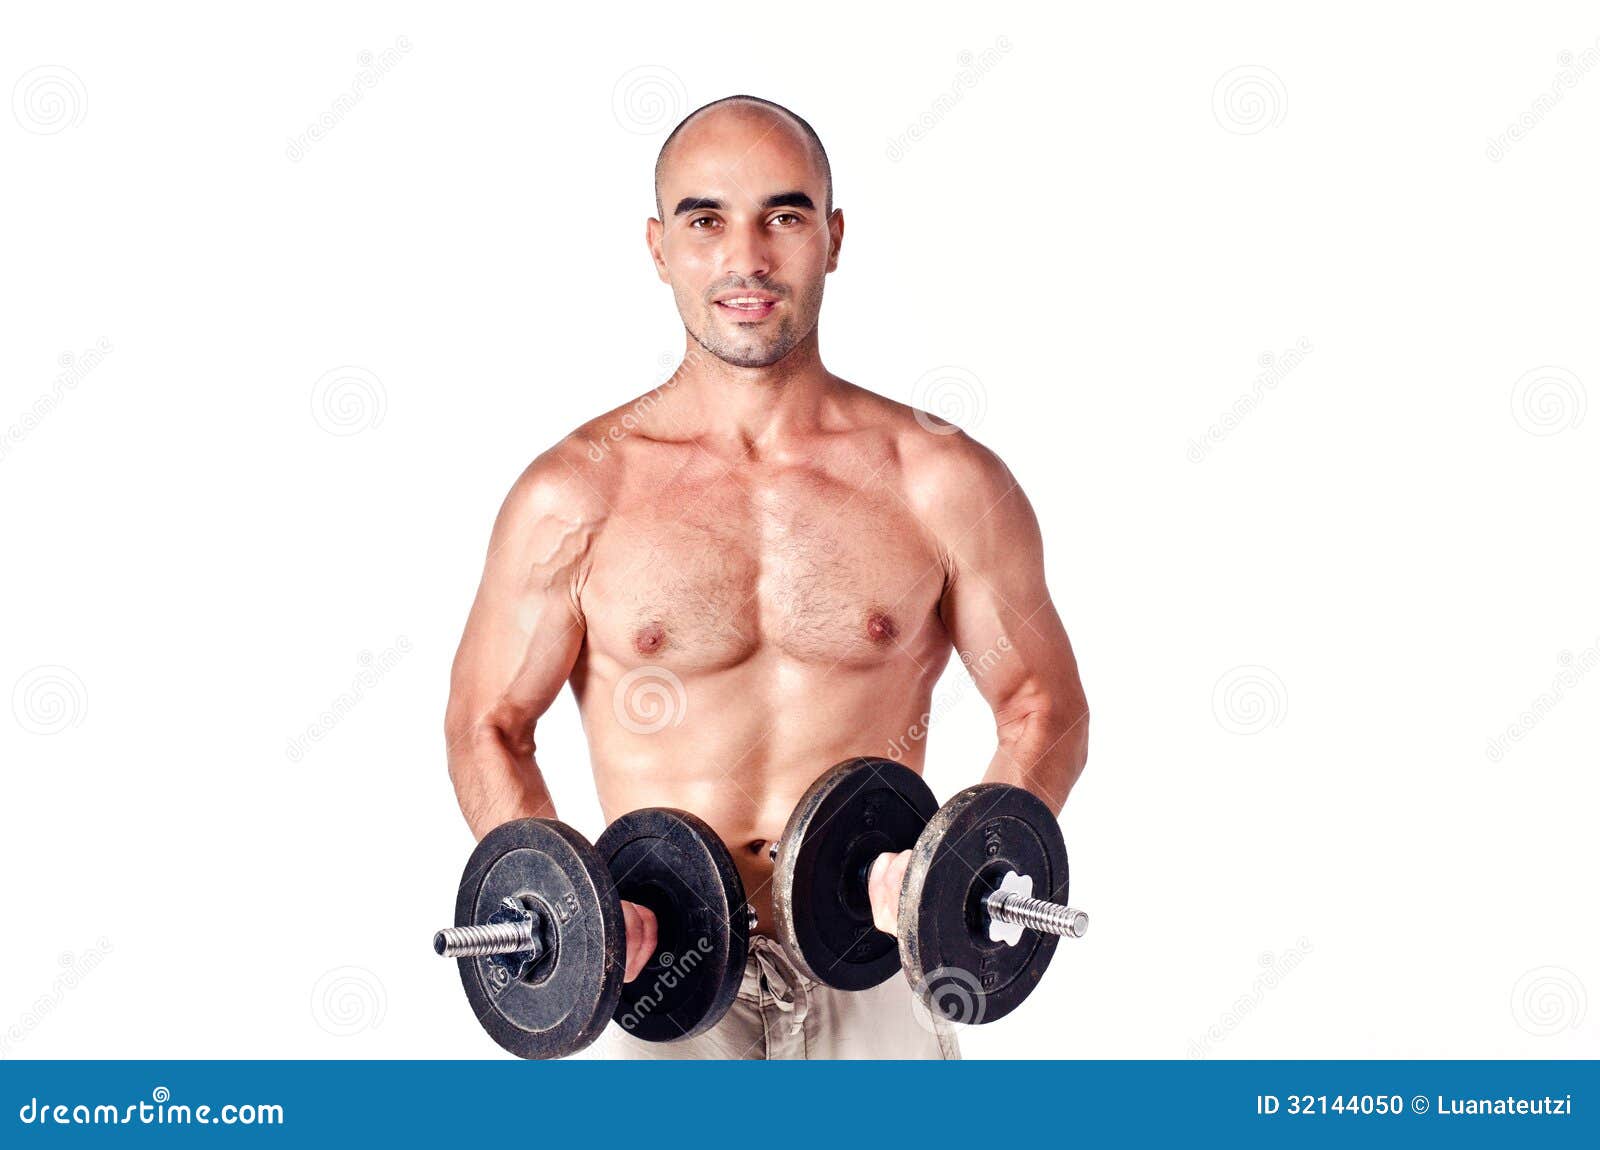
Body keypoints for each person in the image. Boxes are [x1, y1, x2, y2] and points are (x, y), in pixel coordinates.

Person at [443, 94, 1090, 1059]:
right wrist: (578, 916)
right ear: (659, 248)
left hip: (873, 980)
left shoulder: (941, 481)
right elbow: (486, 724)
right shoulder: (576, 494)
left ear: (832, 238)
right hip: (663, 998)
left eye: (783, 217)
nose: (745, 259)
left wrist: (945, 875)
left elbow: (1045, 704)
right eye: (707, 220)